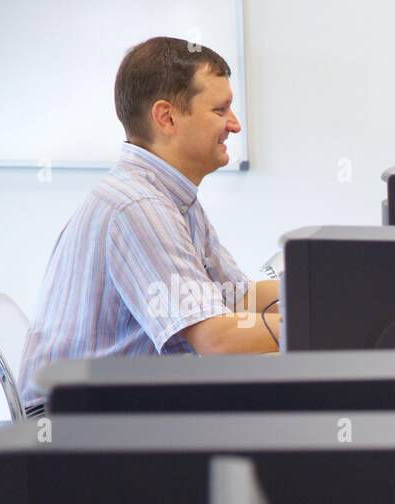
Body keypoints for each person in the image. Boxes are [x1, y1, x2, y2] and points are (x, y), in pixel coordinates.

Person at [19, 36, 278, 411]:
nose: (234, 125)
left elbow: (235, 295)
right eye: (220, 110)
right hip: (75, 425)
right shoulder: (138, 206)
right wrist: (319, 328)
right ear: (167, 117)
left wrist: (321, 294)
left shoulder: (170, 196)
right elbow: (217, 341)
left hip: (106, 410)